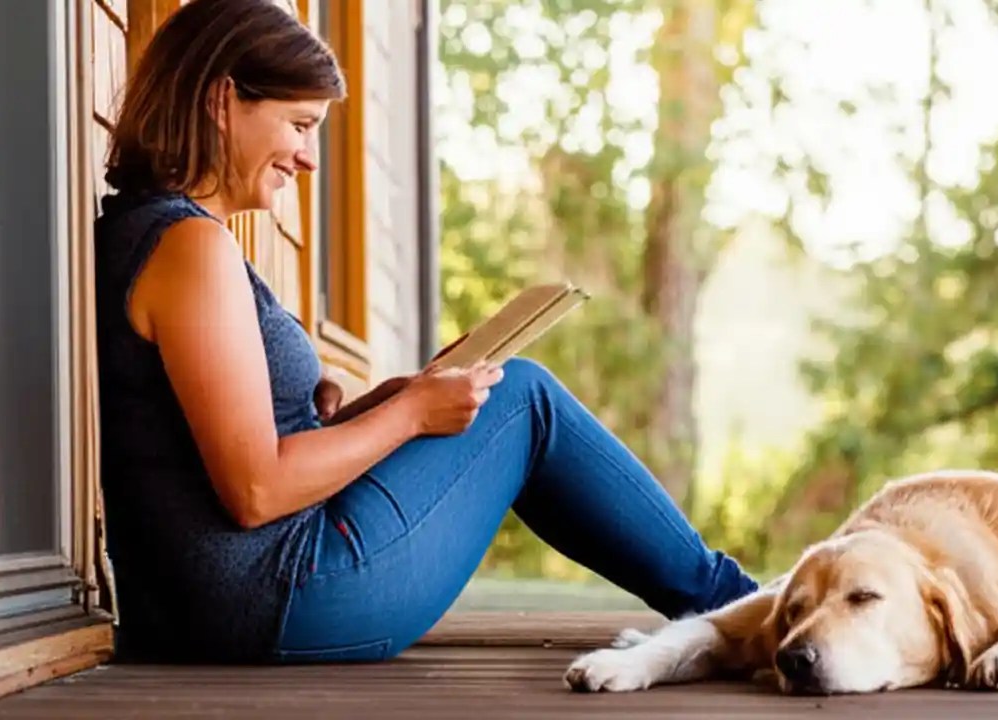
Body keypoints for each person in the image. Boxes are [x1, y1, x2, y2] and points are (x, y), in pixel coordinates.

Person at [94, 0, 758, 665]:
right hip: (276, 595)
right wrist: (412, 414)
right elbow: (256, 490)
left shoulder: (150, 233)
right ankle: (747, 612)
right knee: (524, 399)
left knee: (494, 397)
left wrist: (386, 401)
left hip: (225, 600)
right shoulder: (189, 248)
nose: (307, 159)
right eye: (298, 125)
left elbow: (220, 458)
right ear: (221, 100)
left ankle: (739, 605)